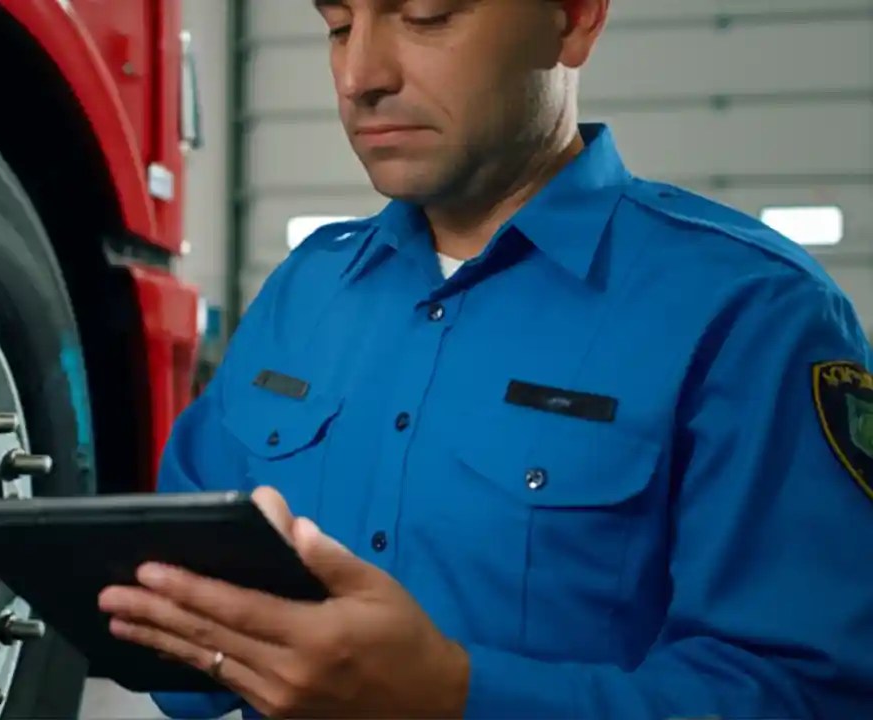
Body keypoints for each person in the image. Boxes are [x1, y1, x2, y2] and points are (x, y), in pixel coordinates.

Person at [96, 0, 873, 717]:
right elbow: (174, 650)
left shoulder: (753, 313)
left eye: (425, 15)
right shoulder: (305, 291)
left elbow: (811, 694)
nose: (360, 76)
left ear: (573, 18)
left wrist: (451, 696)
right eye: (338, 25)